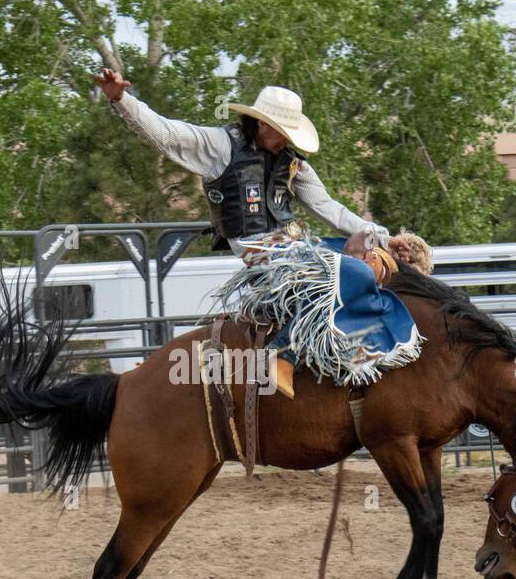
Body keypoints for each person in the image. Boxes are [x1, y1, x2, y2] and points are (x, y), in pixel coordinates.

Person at [99, 70, 425, 396]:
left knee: (374, 263)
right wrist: (121, 99)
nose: (285, 140)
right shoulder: (220, 146)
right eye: (282, 132)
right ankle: (282, 355)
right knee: (344, 270)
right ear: (263, 124)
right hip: (260, 250)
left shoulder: (294, 164)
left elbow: (330, 208)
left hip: (295, 244)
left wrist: (380, 236)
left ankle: (361, 343)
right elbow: (166, 134)